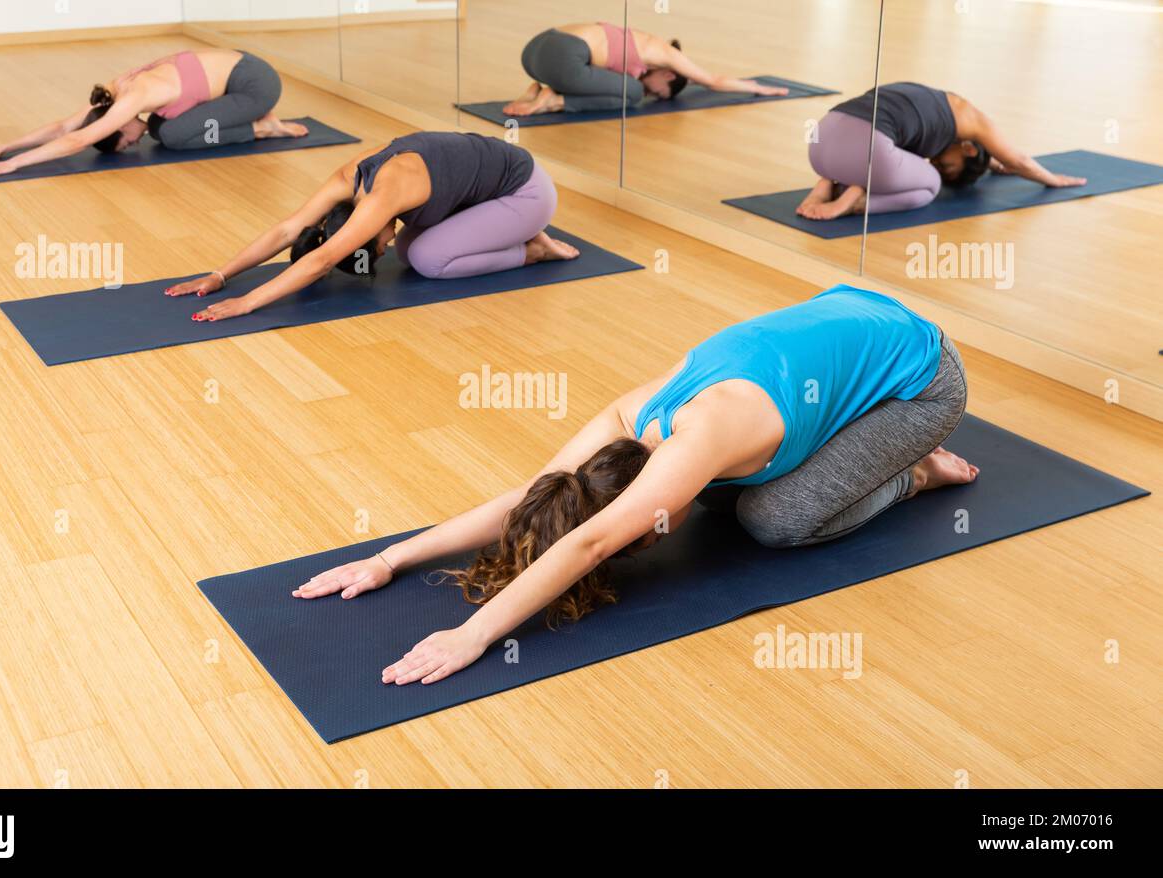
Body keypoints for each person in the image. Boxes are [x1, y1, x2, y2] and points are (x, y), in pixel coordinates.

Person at [295, 284, 977, 686]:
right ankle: (861, 439)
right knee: (725, 493)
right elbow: (534, 491)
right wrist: (391, 558)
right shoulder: (631, 419)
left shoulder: (699, 435)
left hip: (925, 379)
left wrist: (472, 635)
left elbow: (591, 544)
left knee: (773, 519)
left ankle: (912, 470)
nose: (642, 543)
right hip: (850, 313)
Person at [168, 132, 579, 321]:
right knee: (410, 252)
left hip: (526, 193)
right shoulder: (347, 182)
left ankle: (534, 248)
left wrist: (248, 301)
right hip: (487, 189)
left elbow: (324, 259)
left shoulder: (384, 194)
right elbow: (288, 231)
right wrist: (222, 274)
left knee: (428, 259)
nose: (384, 247)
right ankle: (518, 232)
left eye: (374, 250)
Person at [0, 49, 305, 179]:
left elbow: (78, 138)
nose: (133, 144)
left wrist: (14, 164)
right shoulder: (115, 90)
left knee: (172, 135)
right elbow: (64, 125)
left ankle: (262, 126)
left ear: (120, 129)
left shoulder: (133, 98)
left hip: (256, 86)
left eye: (124, 145)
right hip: (240, 66)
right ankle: (249, 119)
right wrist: (1, 149)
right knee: (160, 127)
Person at [797, 81, 1087, 219]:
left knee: (882, 155)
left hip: (821, 141)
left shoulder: (933, 102)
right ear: (970, 149)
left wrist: (994, 166)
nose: (934, 162)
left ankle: (827, 182)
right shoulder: (970, 117)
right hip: (865, 149)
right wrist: (1054, 180)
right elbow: (1020, 160)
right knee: (928, 187)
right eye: (947, 165)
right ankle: (855, 202)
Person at [503, 22, 787, 116]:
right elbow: (712, 80)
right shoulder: (667, 53)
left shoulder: (641, 44)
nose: (655, 94)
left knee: (620, 85)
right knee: (633, 93)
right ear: (669, 74)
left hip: (533, 52)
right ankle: (555, 99)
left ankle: (540, 88)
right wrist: (758, 87)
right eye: (660, 93)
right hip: (563, 57)